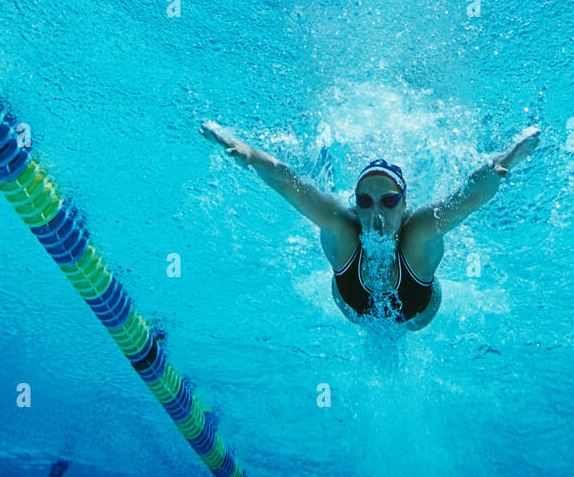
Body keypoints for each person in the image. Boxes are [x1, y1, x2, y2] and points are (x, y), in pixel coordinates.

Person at [199, 119, 541, 331]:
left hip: (417, 317)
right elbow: (292, 185)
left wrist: (509, 159)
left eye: (389, 201)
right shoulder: (343, 228)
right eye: (364, 201)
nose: (376, 212)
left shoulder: (418, 233)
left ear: (404, 205)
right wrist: (247, 152)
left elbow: (463, 200)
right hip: (353, 308)